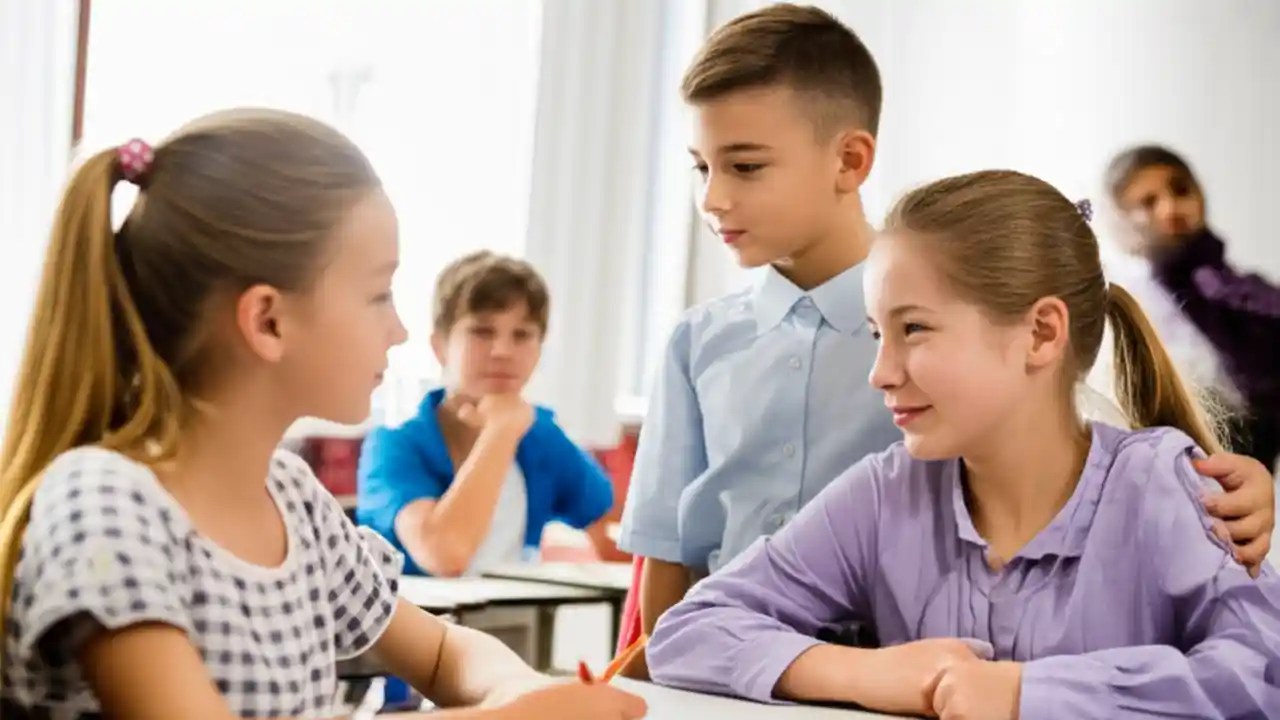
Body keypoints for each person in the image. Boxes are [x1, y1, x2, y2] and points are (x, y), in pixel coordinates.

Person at [616, 2, 1277, 675]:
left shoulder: (956, 299)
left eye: (746, 166)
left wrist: (1217, 492)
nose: (711, 199)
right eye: (701, 167)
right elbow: (667, 571)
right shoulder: (703, 347)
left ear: (851, 158)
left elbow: (1062, 446)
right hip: (759, 679)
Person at [0, 110, 645, 720]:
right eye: (379, 294)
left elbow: (446, 651)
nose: (397, 330)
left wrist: (524, 690)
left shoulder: (292, 500)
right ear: (269, 320)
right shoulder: (104, 503)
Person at [647, 170, 1280, 719]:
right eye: (877, 334)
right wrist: (872, 674)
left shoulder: (1159, 483)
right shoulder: (884, 493)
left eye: (914, 329)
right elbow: (687, 631)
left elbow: (1261, 677)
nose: (881, 372)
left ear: (1040, 333)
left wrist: (1026, 694)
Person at [358, 252, 615, 578]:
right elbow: (445, 555)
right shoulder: (395, 444)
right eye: (481, 332)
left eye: (522, 335)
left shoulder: (540, 435)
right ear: (440, 346)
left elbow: (606, 520)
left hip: (516, 623)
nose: (503, 351)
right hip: (418, 623)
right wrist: (501, 431)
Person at [1105, 145, 1280, 471]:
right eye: (1148, 202)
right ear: (1120, 218)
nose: (1170, 209)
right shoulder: (1119, 306)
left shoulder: (1251, 300)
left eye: (1181, 190)